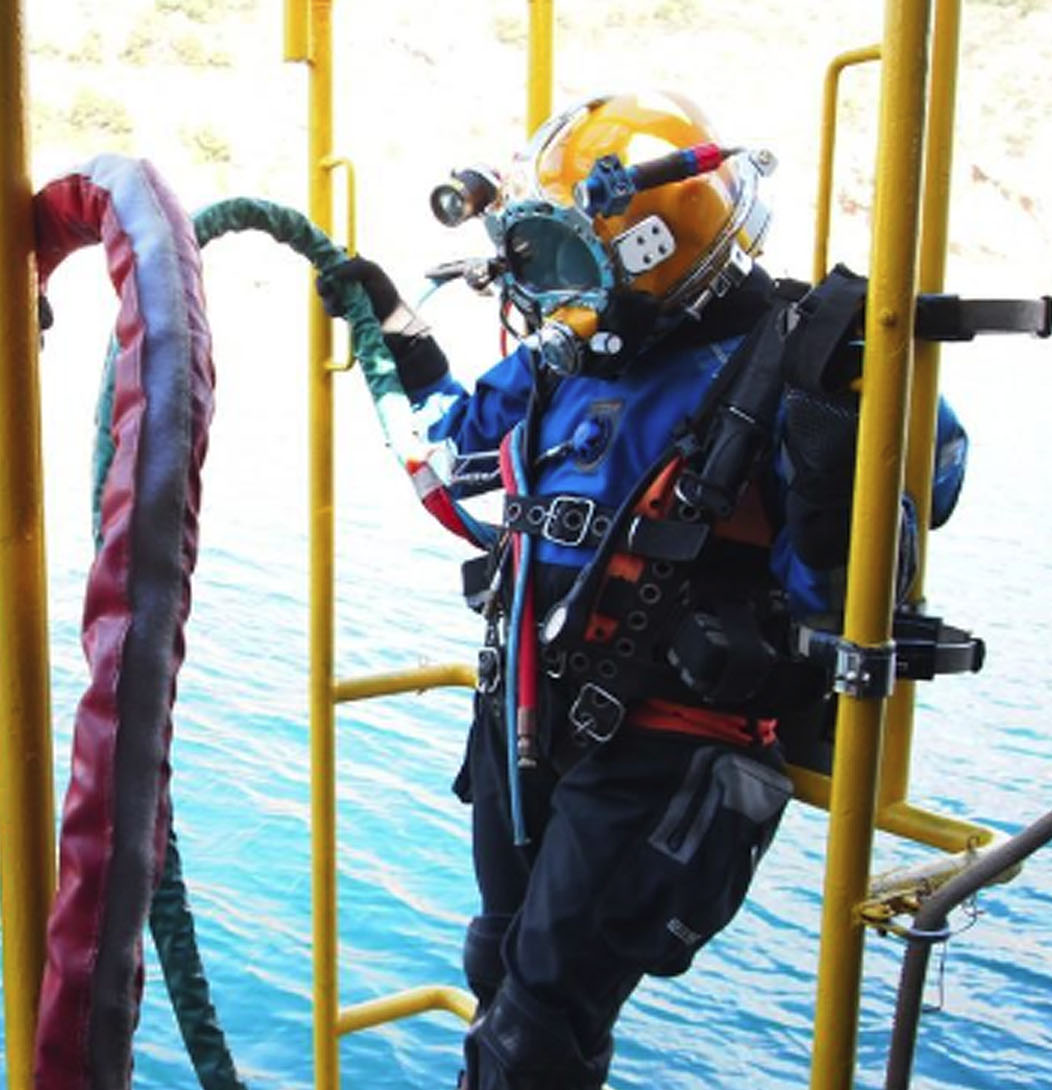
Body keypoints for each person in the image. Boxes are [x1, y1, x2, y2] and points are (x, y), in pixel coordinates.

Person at [318, 90, 967, 1089]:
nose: (545, 297)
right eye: (538, 265)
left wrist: (831, 453)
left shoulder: (787, 361)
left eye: (567, 267)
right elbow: (451, 443)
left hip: (659, 742)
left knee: (534, 1026)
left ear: (648, 254)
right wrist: (394, 330)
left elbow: (850, 585)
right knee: (501, 967)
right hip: (523, 713)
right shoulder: (568, 355)